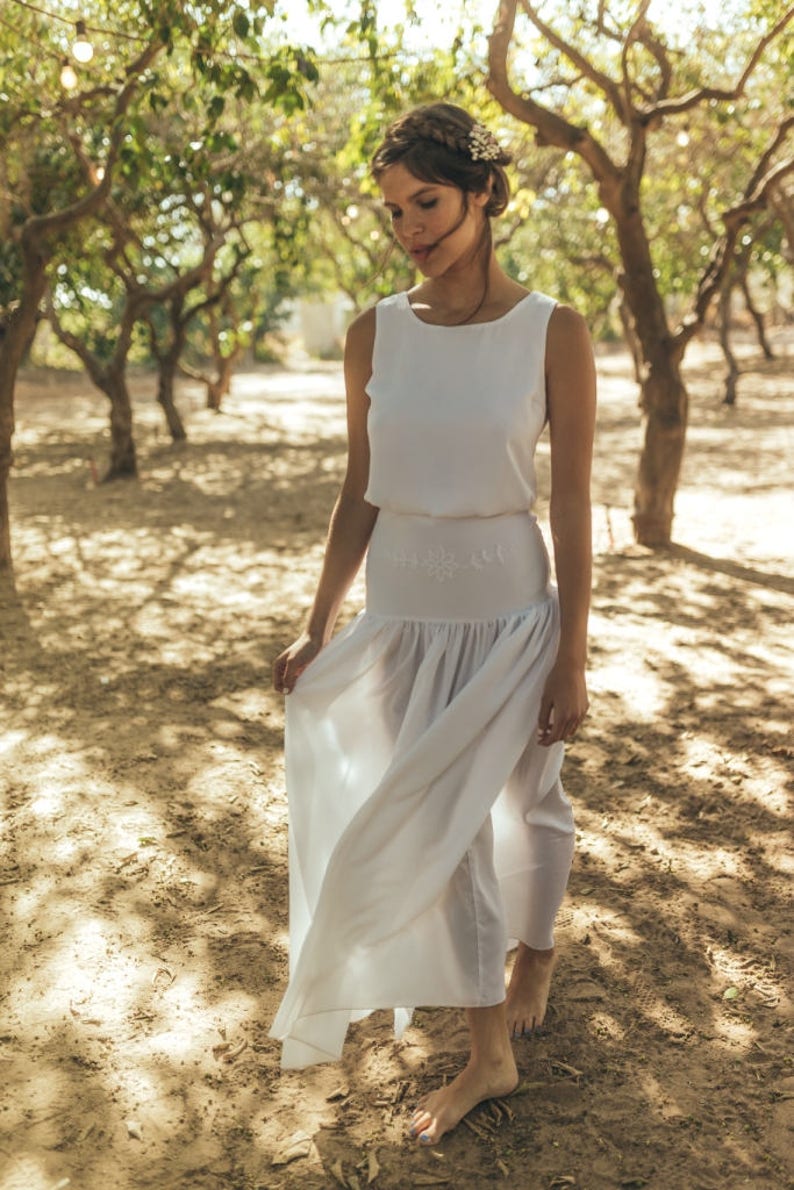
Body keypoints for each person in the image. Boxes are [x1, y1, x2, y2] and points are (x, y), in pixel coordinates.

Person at [270, 101, 595, 1146]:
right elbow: (359, 486)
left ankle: (533, 948)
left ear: (485, 195)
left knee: (528, 798)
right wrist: (318, 619)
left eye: (427, 202)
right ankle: (486, 1047)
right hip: (404, 608)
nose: (408, 225)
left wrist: (572, 651)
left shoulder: (555, 330)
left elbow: (576, 503)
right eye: (393, 209)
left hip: (509, 607)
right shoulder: (373, 331)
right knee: (438, 825)